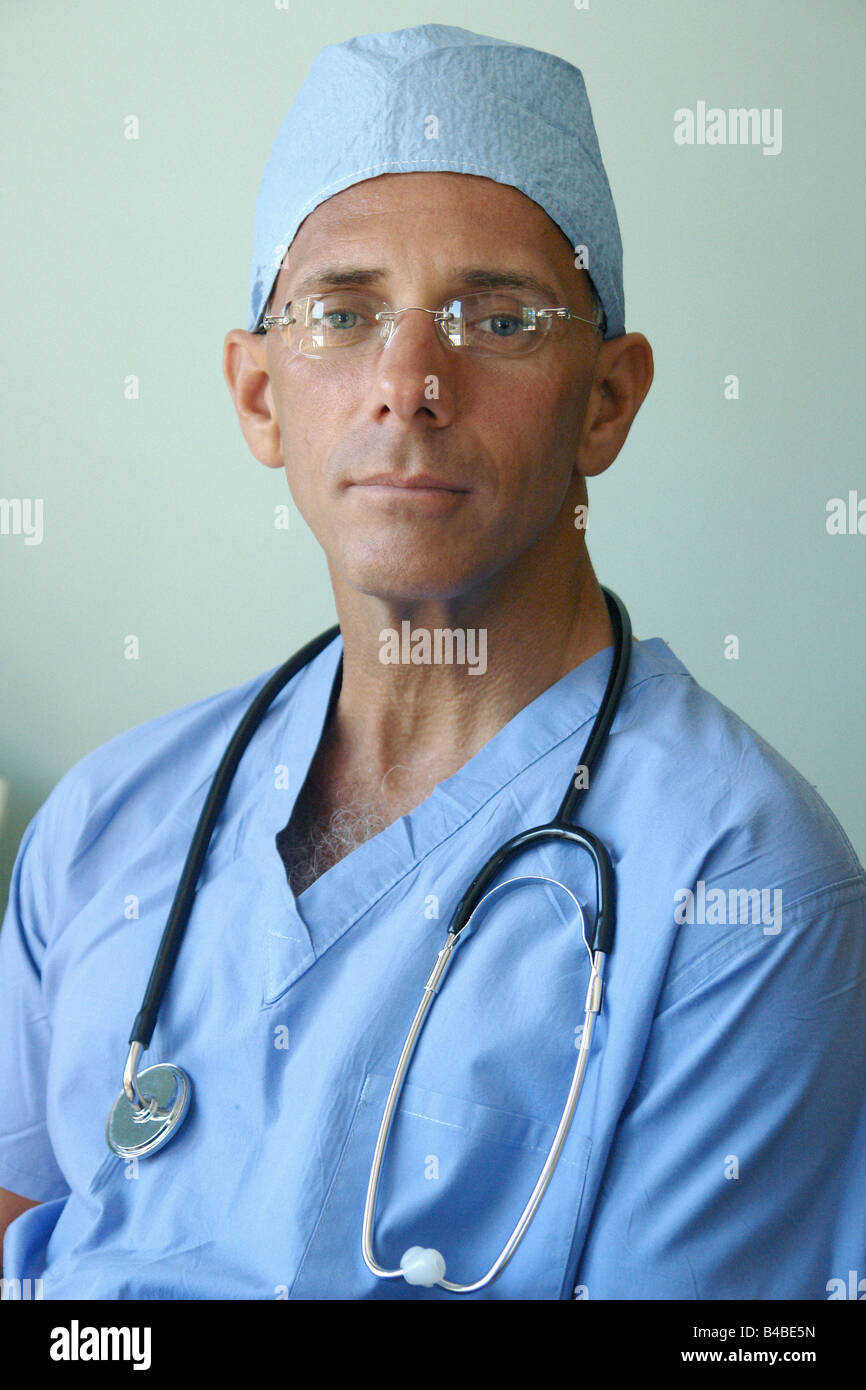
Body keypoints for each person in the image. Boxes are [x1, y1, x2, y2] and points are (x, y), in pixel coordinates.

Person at [0, 23, 863, 1302]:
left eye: (497, 319)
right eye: (340, 314)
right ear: (258, 396)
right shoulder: (105, 822)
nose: (408, 381)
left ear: (606, 400)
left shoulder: (742, 891)